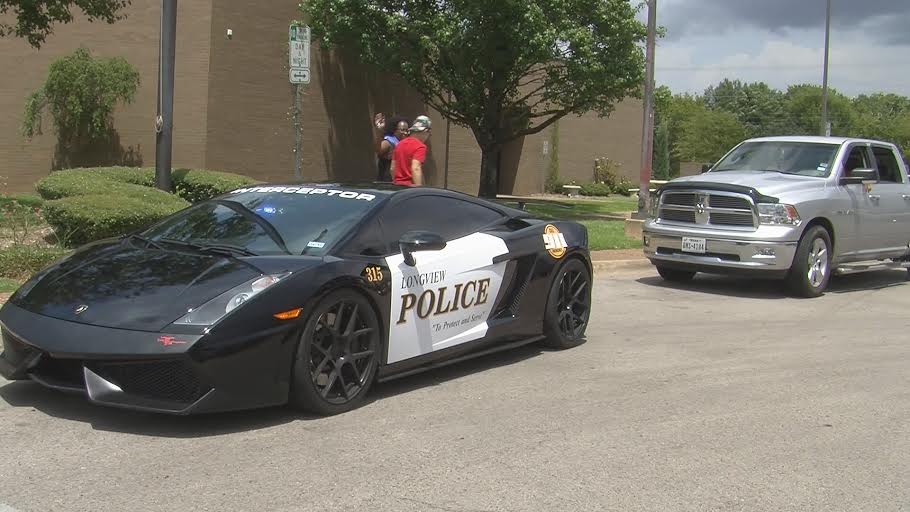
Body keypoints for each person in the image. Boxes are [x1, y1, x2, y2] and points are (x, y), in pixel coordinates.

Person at [393, 115, 432, 187]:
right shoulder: (420, 147)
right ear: (425, 131)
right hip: (410, 189)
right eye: (429, 134)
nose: (428, 137)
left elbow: (392, 168)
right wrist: (418, 188)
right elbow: (416, 168)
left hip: (396, 188)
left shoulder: (399, 144)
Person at [373, 114, 409, 182]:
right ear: (394, 130)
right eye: (402, 130)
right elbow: (378, 150)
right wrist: (379, 131)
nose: (405, 133)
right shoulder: (389, 142)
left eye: (407, 130)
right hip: (385, 184)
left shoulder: (402, 143)